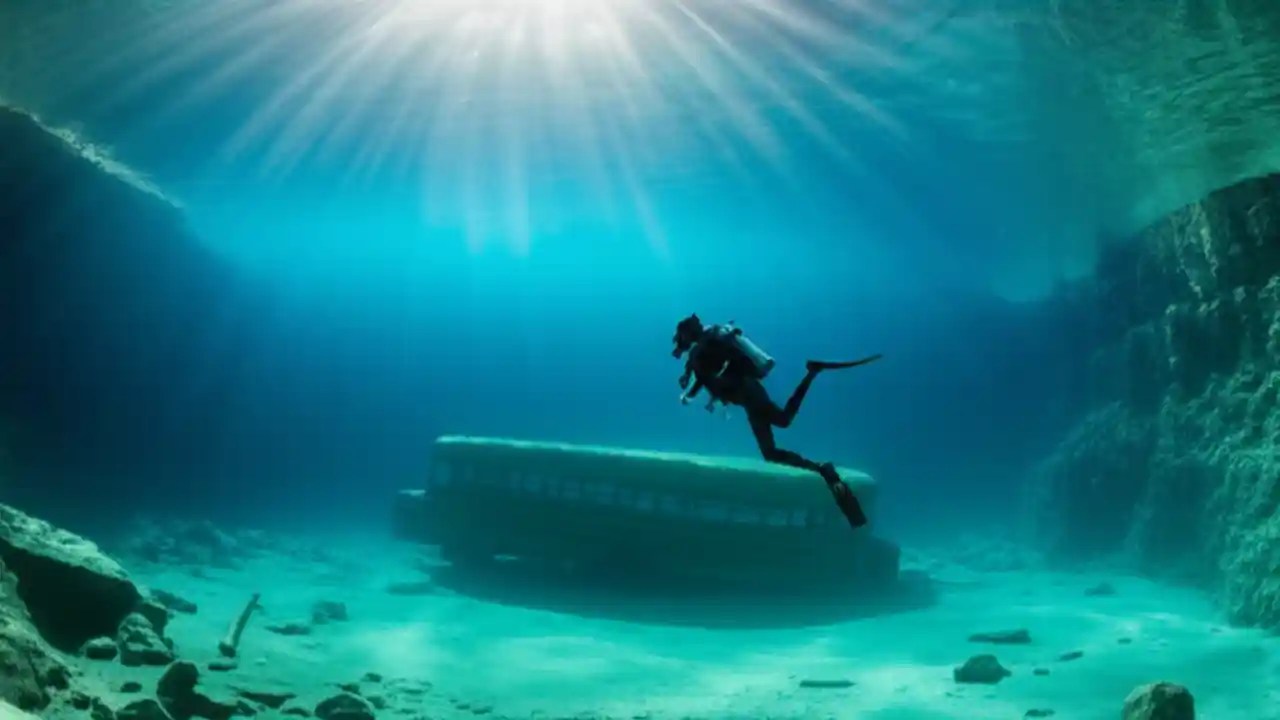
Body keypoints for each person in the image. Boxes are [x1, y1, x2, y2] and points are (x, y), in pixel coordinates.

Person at [672, 313, 881, 528]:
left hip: (748, 394)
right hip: (748, 394)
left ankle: (821, 467)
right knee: (782, 423)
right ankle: (812, 374)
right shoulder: (703, 348)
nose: (682, 342)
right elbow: (705, 376)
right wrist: (691, 389)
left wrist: (693, 387)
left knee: (773, 446)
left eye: (683, 336)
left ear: (688, 333)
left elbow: (710, 372)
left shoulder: (707, 344)